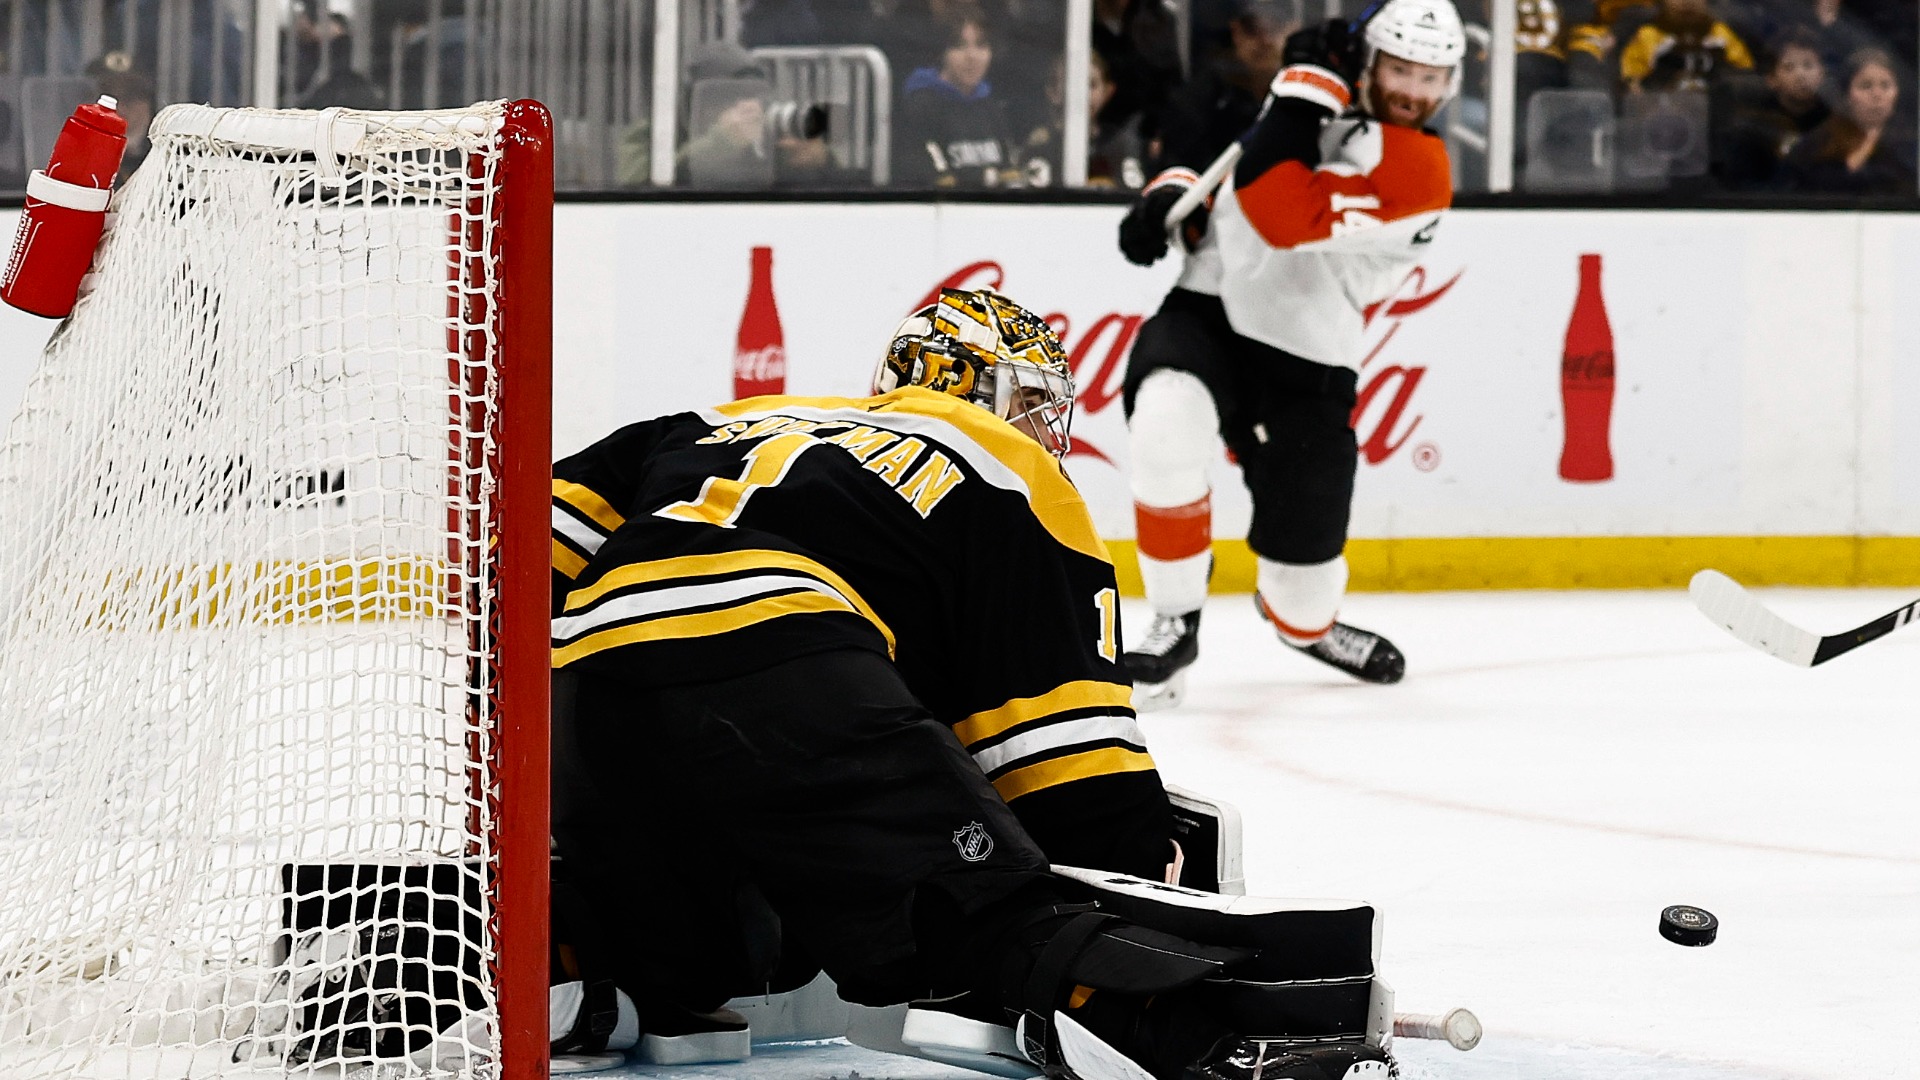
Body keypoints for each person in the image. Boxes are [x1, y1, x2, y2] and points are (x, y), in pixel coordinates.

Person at [544, 288, 1396, 1080]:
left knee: (711, 947)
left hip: (585, 683)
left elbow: (528, 541)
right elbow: (1066, 753)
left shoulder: (724, 417)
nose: (1041, 427)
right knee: (977, 914)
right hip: (788, 657)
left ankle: (568, 965)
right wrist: (1127, 866)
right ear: (968, 384)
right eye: (1028, 400)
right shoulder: (1004, 465)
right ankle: (1121, 1015)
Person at [1110, 0, 1463, 704]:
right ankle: (1175, 621)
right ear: (1370, 62)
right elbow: (1220, 144)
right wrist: (1170, 192)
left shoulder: (1420, 170)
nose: (1414, 91)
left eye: (1431, 77)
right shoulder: (1313, 95)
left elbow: (1277, 206)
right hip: (1207, 306)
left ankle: (1306, 624)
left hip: (1307, 350)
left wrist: (1305, 84)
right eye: (1400, 68)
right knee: (1163, 420)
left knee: (1302, 588)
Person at [896, 7, 1023, 187]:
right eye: (959, 46)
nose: (972, 56)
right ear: (942, 52)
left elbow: (1010, 174)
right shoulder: (921, 107)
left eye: (981, 45)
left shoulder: (991, 107)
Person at [1780, 47, 1915, 195]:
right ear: (1847, 96)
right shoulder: (1819, 141)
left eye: (1885, 86)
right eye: (1866, 86)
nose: (1877, 95)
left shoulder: (1911, 141)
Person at [1714, 28, 1830, 190]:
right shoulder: (1753, 126)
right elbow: (1740, 184)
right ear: (1771, 79)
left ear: (1822, 73)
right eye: (1789, 67)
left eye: (1808, 65)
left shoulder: (1833, 121)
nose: (1800, 75)